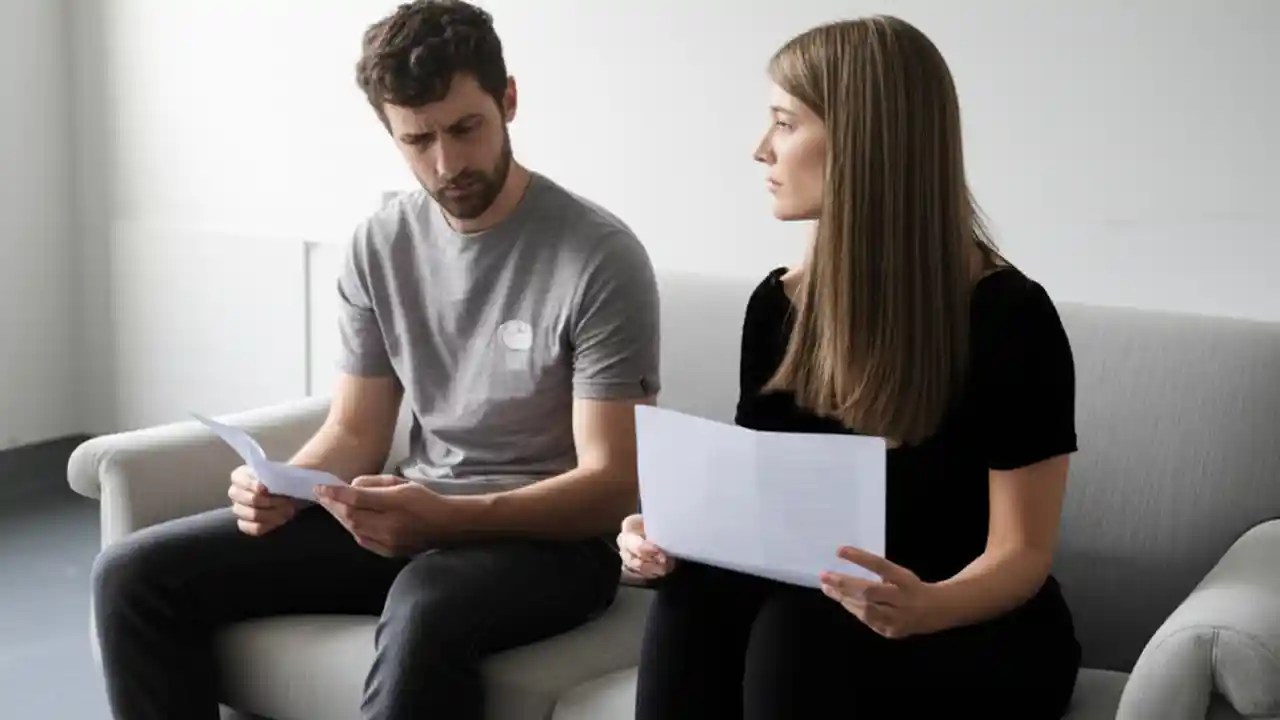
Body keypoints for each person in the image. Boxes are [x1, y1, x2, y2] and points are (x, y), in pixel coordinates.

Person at [91, 2, 660, 719]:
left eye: (465, 128)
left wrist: (445, 521)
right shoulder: (380, 245)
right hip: (412, 512)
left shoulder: (599, 257)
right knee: (134, 575)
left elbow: (613, 484)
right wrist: (286, 484)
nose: (447, 164)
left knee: (426, 602)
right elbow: (356, 431)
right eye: (418, 139)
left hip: (554, 544)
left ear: (509, 100)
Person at [618, 15, 1082, 719]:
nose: (760, 149)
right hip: (828, 605)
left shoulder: (1010, 317)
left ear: (863, 143)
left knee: (799, 629)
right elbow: (758, 511)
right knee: (696, 595)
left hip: (966, 619)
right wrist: (669, 536)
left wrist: (926, 606)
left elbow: (1020, 554)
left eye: (784, 123)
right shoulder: (777, 307)